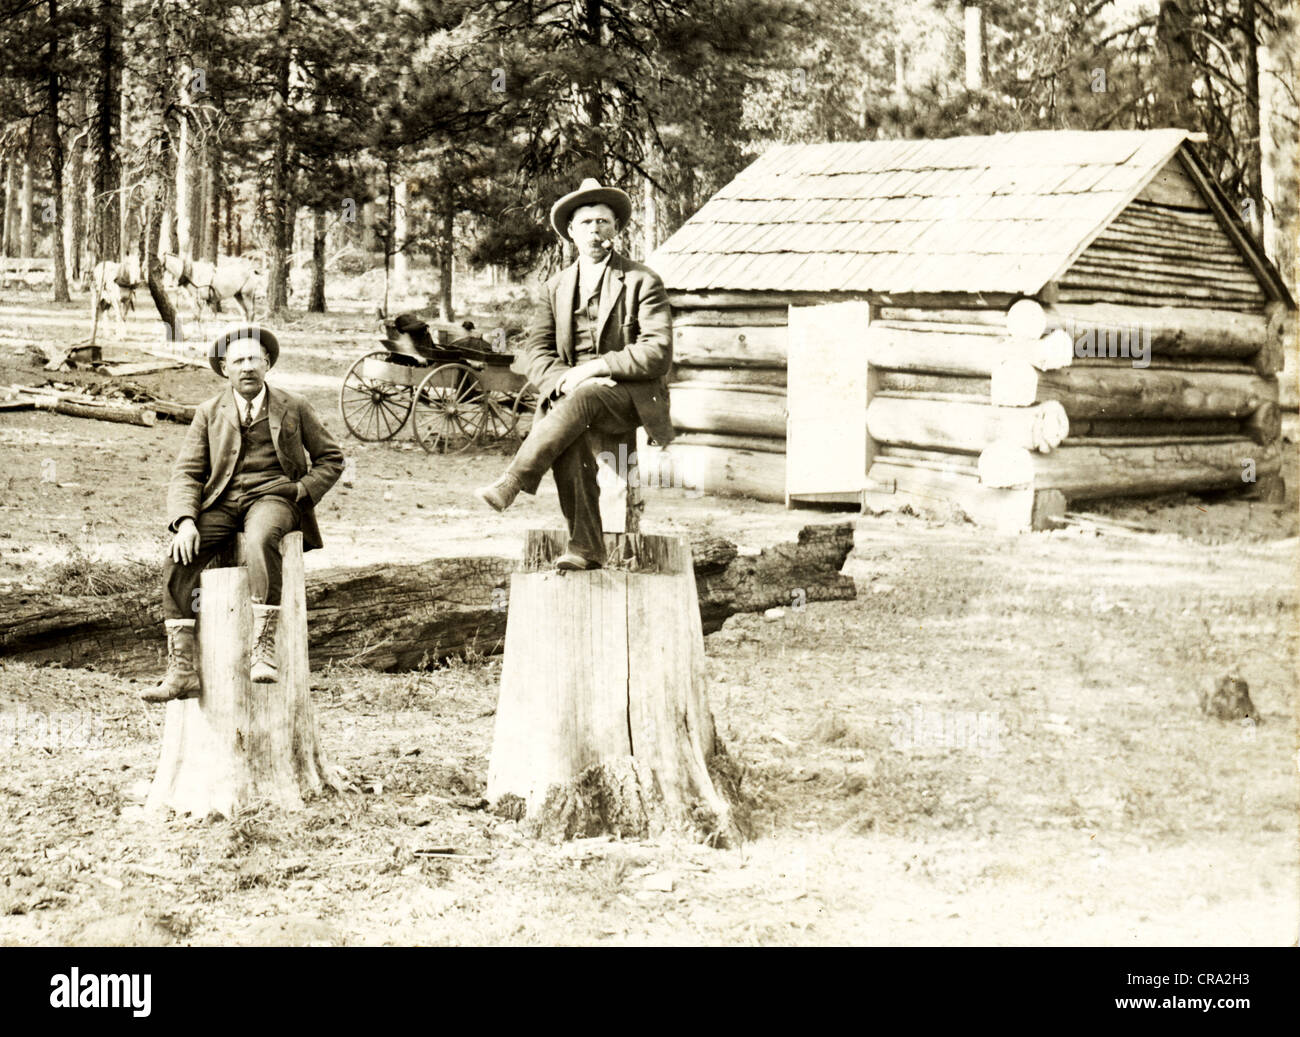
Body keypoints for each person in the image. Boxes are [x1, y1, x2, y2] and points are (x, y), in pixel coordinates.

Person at [474, 178, 675, 569]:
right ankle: (586, 549)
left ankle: (514, 480)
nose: (595, 231)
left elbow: (658, 352)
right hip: (575, 395)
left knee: (580, 398)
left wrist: (596, 368)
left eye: (603, 222)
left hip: (628, 396)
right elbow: (535, 351)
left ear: (616, 229)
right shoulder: (555, 287)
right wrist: (565, 378)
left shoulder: (642, 280)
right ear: (571, 231)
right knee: (570, 430)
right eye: (586, 223)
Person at [143, 325, 344, 702]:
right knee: (177, 556)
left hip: (274, 498)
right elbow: (187, 472)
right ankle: (182, 670)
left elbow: (331, 458)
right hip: (222, 501)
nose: (247, 367)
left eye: (254, 359)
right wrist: (185, 522)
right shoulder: (208, 412)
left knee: (261, 539)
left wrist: (301, 491)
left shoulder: (295, 405)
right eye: (238, 361)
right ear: (225, 369)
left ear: (267, 364)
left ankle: (263, 649)